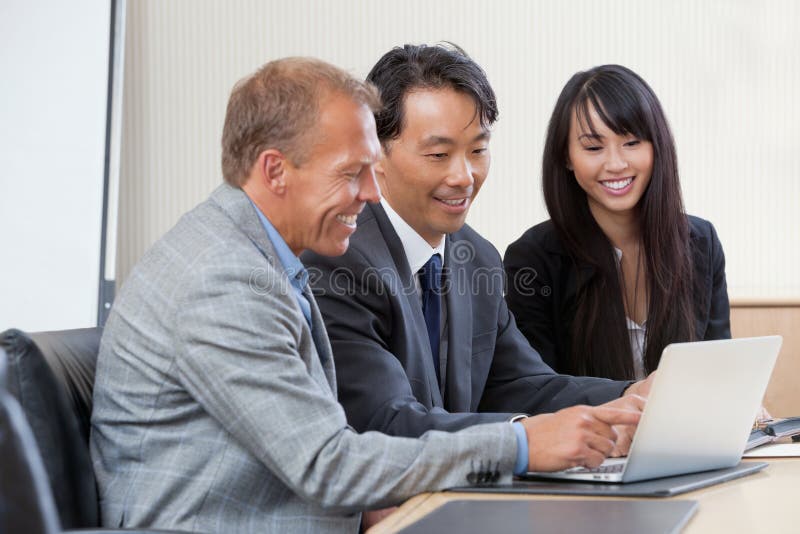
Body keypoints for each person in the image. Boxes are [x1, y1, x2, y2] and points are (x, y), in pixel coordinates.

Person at [90, 58, 641, 534]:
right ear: (275, 171)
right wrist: (520, 446)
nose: (372, 193)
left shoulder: (253, 253)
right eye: (353, 173)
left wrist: (629, 397)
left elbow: (309, 452)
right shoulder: (223, 280)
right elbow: (329, 460)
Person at [302, 44, 649, 446]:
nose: (464, 176)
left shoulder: (477, 257)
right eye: (439, 154)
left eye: (478, 150)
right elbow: (384, 420)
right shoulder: (337, 257)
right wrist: (524, 438)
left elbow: (519, 384)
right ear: (375, 154)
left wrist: (628, 397)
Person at [504, 64, 730, 381]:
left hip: (686, 431)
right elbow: (536, 389)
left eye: (632, 142)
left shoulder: (701, 242)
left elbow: (718, 371)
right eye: (594, 147)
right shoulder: (533, 258)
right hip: (587, 431)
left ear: (657, 146)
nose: (616, 163)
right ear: (567, 157)